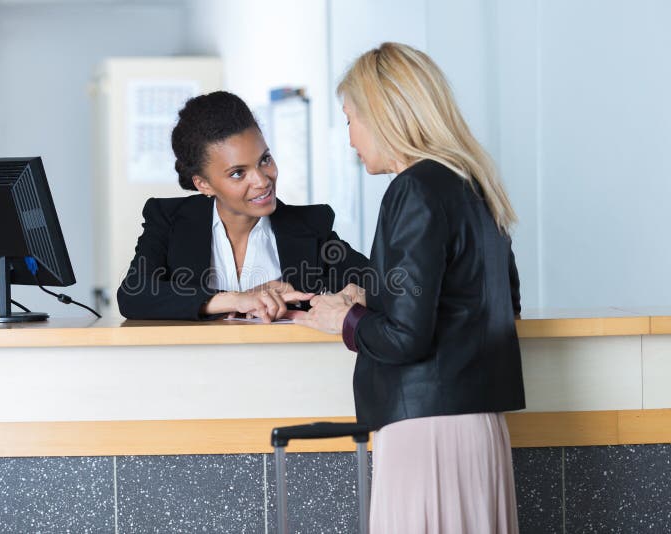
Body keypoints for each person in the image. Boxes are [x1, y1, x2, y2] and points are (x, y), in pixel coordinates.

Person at [295, 43, 525, 532]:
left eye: (351, 119)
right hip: (478, 428)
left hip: (427, 432)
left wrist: (344, 318)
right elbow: (491, 303)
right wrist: (370, 299)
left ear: (384, 115)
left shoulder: (414, 188)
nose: (350, 138)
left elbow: (406, 338)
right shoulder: (473, 184)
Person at [117, 91, 368, 322]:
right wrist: (236, 299)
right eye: (238, 173)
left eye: (265, 160)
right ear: (204, 184)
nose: (262, 181)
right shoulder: (169, 220)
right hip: (194, 367)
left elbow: (384, 283)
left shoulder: (310, 225)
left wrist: (334, 295)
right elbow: (133, 294)